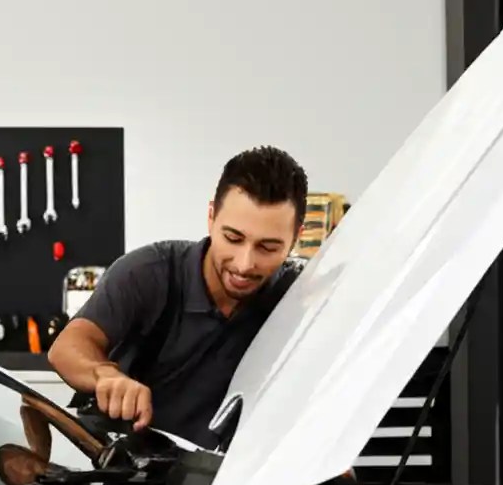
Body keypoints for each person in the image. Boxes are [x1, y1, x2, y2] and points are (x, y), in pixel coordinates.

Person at [48, 145, 308, 450]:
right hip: (120, 472)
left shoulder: (298, 297)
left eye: (268, 248)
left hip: (215, 481)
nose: (244, 263)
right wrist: (106, 375)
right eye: (233, 238)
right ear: (211, 217)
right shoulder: (149, 272)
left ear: (296, 236)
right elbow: (67, 347)